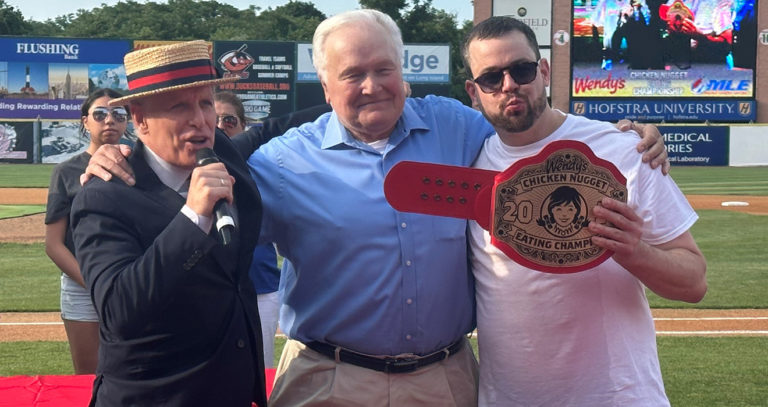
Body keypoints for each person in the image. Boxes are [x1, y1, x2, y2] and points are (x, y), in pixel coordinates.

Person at [83, 10, 668, 406]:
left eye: (383, 69)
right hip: (328, 380)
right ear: (326, 83)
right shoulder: (279, 163)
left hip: (446, 380)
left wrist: (620, 135)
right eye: (352, 75)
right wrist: (103, 163)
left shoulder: (461, 130)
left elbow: (530, 131)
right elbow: (186, 177)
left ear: (404, 73)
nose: (371, 86)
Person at [462, 16, 707, 406]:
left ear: (543, 71)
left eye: (521, 70)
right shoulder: (468, 163)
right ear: (474, 92)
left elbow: (694, 282)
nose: (509, 85)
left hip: (619, 396)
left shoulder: (625, 150)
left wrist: (633, 251)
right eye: (492, 78)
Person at [70, 41, 267, 407]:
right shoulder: (104, 197)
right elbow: (118, 312)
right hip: (156, 397)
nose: (201, 120)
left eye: (206, 103)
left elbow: (275, 127)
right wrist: (192, 219)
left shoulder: (218, 150)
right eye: (179, 107)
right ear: (140, 119)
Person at [44, 88, 130, 374]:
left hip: (132, 284)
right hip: (82, 287)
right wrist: (95, 282)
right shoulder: (67, 172)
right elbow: (54, 244)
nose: (110, 121)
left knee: (133, 372)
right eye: (100, 114)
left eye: (119, 114)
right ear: (85, 121)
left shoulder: (140, 169)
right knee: (89, 378)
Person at [215, 90, 282, 368]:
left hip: (260, 287)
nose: (220, 126)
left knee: (259, 371)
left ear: (243, 126)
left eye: (229, 120)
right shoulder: (183, 165)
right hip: (206, 289)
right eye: (213, 119)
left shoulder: (265, 168)